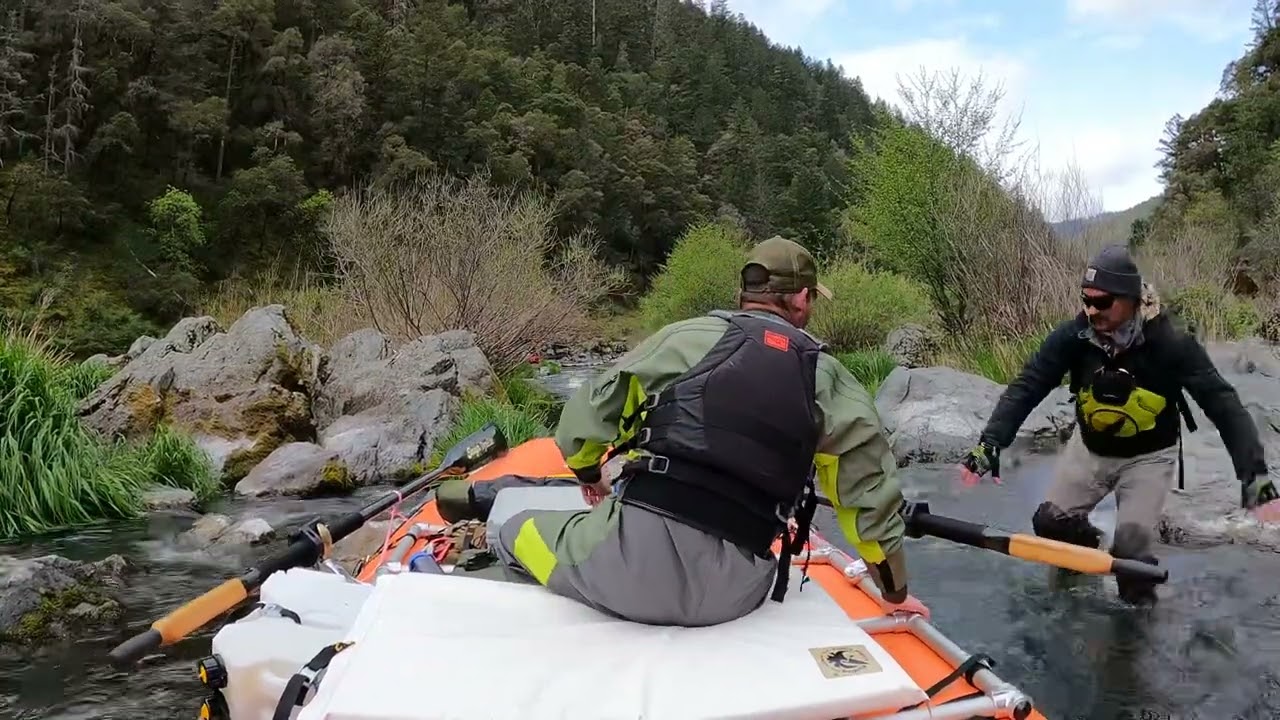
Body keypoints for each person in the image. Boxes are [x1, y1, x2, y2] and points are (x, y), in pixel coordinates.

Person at [492, 235, 927, 626]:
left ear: (744, 295)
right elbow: (869, 504)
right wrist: (895, 594)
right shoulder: (831, 379)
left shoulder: (683, 339)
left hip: (625, 571)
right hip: (736, 593)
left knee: (517, 529)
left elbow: (581, 427)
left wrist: (589, 473)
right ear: (799, 297)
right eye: (812, 297)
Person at [960, 244, 1277, 605]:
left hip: (1148, 457)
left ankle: (1137, 634)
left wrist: (1255, 477)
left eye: (1103, 302)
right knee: (1050, 524)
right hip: (1090, 449)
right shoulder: (1074, 337)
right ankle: (1089, 557)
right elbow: (1028, 384)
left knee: (1132, 561)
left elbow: (1224, 405)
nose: (1091, 310)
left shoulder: (1171, 343)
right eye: (1086, 300)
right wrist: (990, 443)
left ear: (1131, 299)